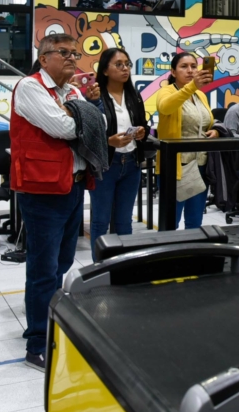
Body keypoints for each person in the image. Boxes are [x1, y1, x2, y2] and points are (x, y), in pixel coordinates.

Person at [10, 33, 102, 371]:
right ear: (43, 57)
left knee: (62, 262)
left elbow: (98, 122)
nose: (71, 58)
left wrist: (80, 111)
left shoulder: (72, 92)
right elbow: (63, 128)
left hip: (73, 185)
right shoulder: (30, 87)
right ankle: (37, 343)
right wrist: (80, 115)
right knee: (43, 269)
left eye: (74, 53)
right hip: (42, 189)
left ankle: (48, 317)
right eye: (62, 52)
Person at [89, 47, 148, 259]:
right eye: (119, 64)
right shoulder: (96, 97)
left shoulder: (133, 95)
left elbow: (143, 124)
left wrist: (142, 132)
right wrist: (108, 141)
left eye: (127, 64)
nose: (125, 69)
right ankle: (99, 266)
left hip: (131, 163)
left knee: (124, 221)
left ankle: (123, 265)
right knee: (101, 220)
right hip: (106, 165)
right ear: (105, 70)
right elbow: (88, 133)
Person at [157, 52, 217, 229]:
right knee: (170, 221)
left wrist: (214, 131)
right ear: (173, 72)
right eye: (184, 66)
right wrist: (191, 87)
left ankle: (192, 255)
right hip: (176, 166)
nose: (190, 70)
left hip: (201, 164)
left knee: (195, 221)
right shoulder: (166, 91)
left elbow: (204, 122)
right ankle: (168, 256)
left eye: (193, 66)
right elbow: (165, 107)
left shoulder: (200, 95)